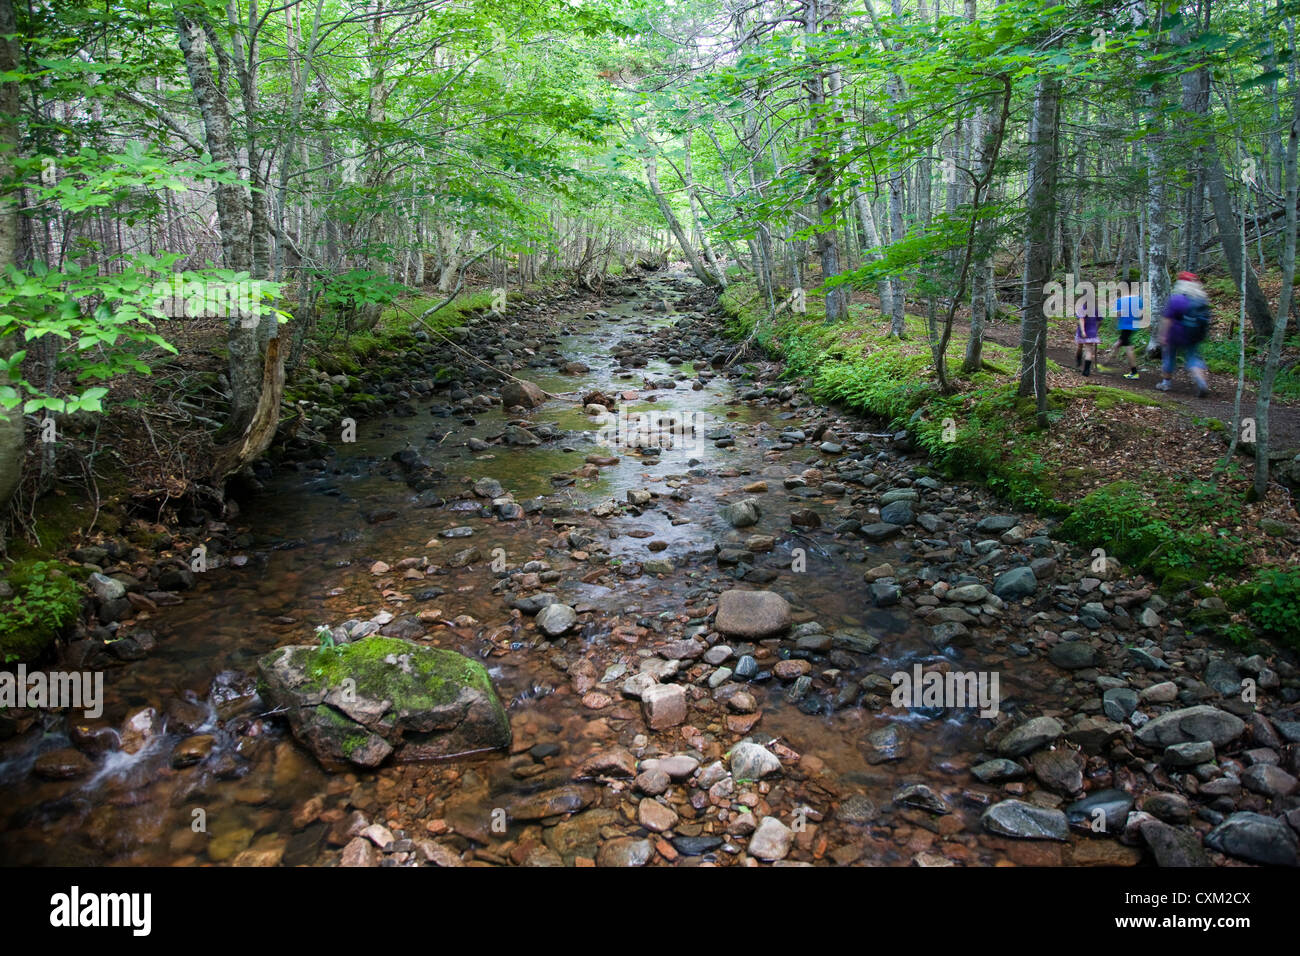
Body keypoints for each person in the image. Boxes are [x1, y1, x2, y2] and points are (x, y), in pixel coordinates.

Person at [1156, 271, 1210, 397]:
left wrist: (1162, 335)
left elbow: (1167, 319)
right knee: (1193, 357)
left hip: (1175, 334)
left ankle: (1166, 383)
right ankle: (1201, 382)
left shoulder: (1176, 299)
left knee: (1169, 356)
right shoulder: (1201, 299)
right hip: (1194, 334)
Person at [1108, 288, 1143, 379]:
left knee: (1122, 347)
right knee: (1121, 346)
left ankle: (1133, 372)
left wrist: (1115, 320)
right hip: (1133, 326)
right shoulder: (1138, 300)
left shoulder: (1121, 300)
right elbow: (1140, 314)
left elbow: (1117, 314)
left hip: (1125, 327)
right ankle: (1109, 366)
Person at [1074, 286, 1101, 377]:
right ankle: (1086, 370)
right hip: (1092, 332)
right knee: (1089, 350)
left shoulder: (1082, 307)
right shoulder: (1096, 308)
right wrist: (1096, 329)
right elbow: (1100, 320)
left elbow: (1081, 319)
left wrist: (1083, 331)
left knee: (1080, 347)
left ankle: (1078, 360)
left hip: (1083, 332)